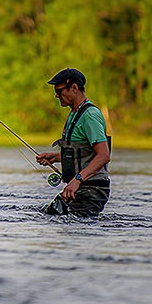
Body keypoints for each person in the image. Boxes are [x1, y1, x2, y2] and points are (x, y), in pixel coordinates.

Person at [36, 68, 111, 217]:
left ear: (74, 88)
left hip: (91, 190)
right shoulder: (75, 113)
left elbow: (103, 155)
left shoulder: (90, 115)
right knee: (49, 215)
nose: (56, 95)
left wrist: (77, 180)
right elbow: (83, 152)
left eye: (59, 90)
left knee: (65, 222)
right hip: (79, 188)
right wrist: (55, 157)